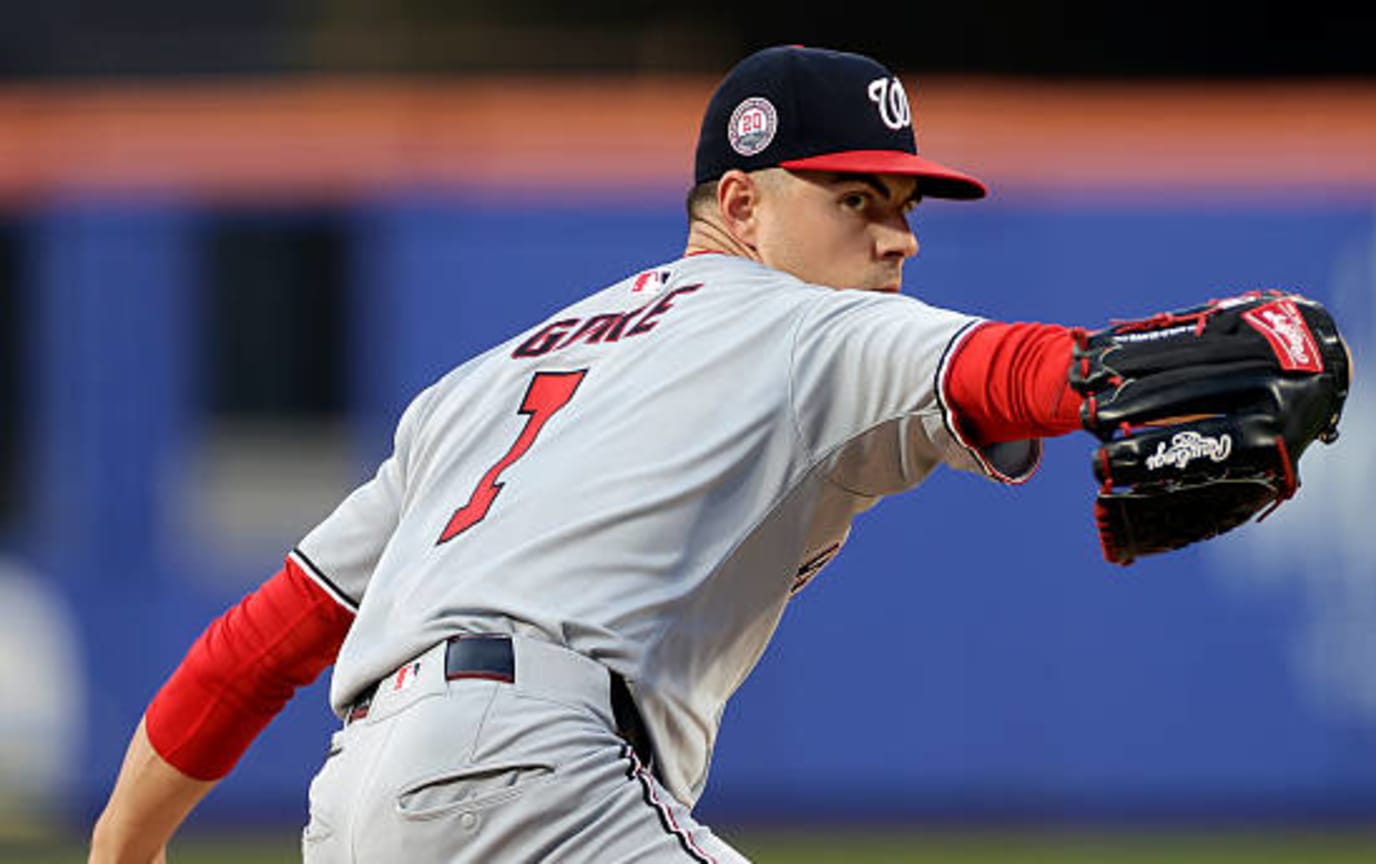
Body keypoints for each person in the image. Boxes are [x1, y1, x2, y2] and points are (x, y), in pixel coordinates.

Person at [90, 44, 1089, 863]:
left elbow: (259, 648)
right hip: (531, 781)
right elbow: (1012, 367)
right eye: (855, 201)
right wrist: (1205, 350)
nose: (898, 240)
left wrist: (122, 852)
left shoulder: (487, 381)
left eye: (906, 207)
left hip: (356, 807)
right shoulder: (803, 325)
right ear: (741, 207)